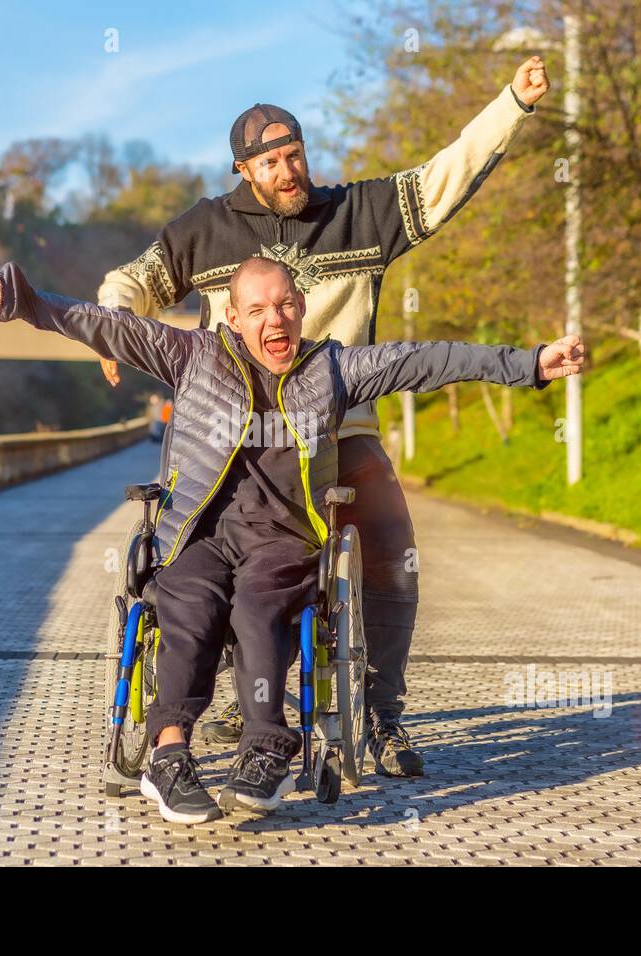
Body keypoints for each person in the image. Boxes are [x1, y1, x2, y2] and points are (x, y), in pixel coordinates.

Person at [0, 257, 584, 823]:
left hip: (284, 539)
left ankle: (265, 748)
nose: (276, 320)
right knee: (188, 605)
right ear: (233, 319)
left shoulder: (332, 369)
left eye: (286, 305)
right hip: (200, 532)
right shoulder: (191, 356)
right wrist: (25, 300)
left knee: (259, 606)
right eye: (259, 310)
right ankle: (169, 756)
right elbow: (101, 324)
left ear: (300, 306)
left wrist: (528, 365)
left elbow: (427, 359)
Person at [91, 57, 551, 776]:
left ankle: (384, 716)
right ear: (245, 168)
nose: (288, 167)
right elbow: (134, 281)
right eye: (271, 159)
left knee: (394, 553)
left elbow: (446, 176)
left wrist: (512, 104)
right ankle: (240, 705)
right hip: (239, 442)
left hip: (344, 430)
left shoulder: (357, 214)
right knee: (224, 555)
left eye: (295, 153)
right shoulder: (204, 231)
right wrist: (115, 324)